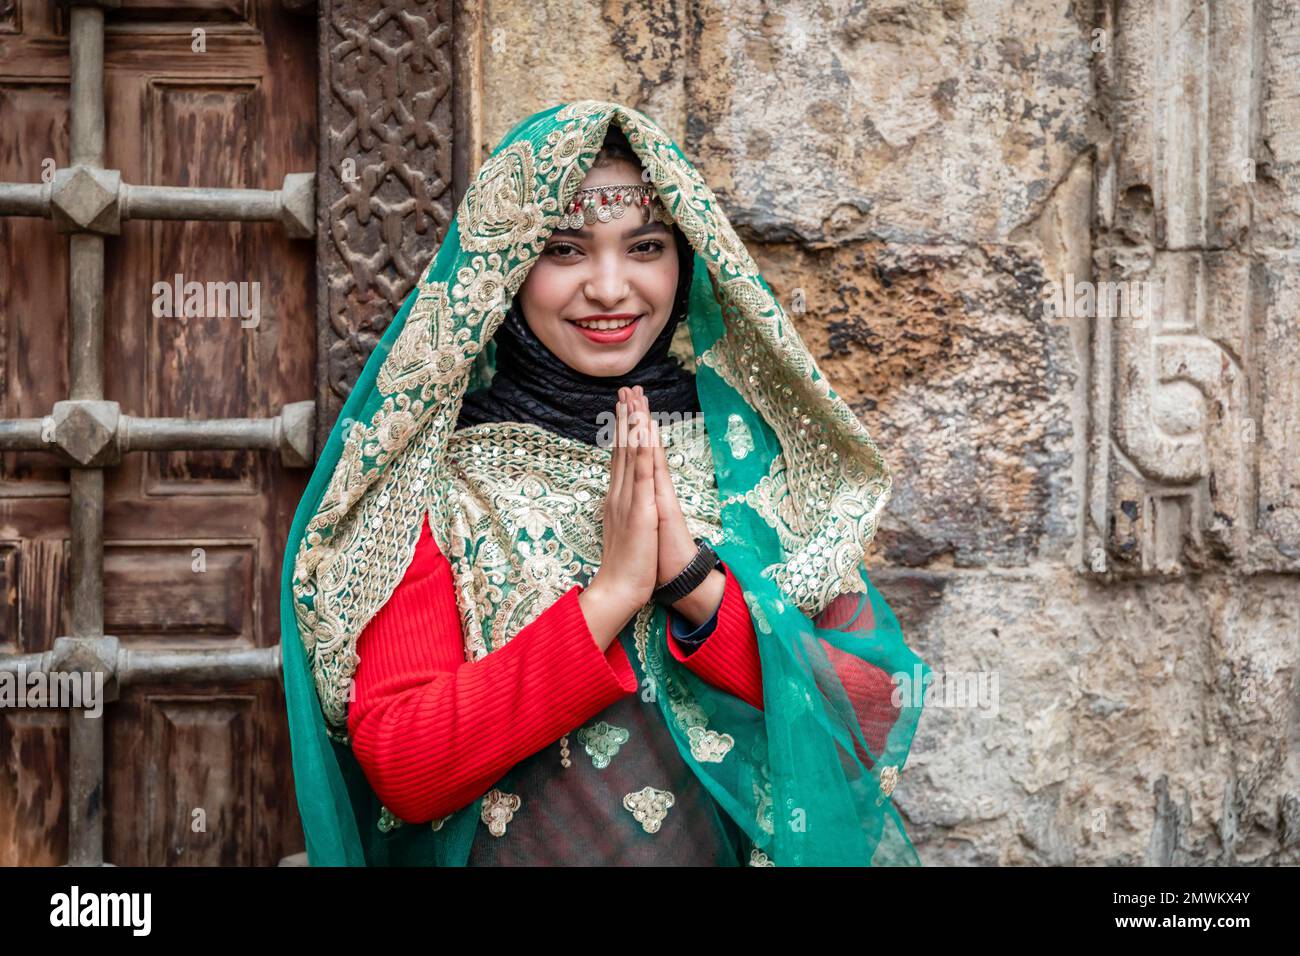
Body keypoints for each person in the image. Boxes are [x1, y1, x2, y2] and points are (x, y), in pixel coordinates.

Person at [280, 100, 930, 867]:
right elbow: (407, 766)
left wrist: (694, 586)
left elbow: (872, 720)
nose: (611, 288)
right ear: (509, 267)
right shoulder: (437, 483)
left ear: (685, 259)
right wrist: (611, 597)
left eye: (645, 245)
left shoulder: (757, 466)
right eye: (565, 250)